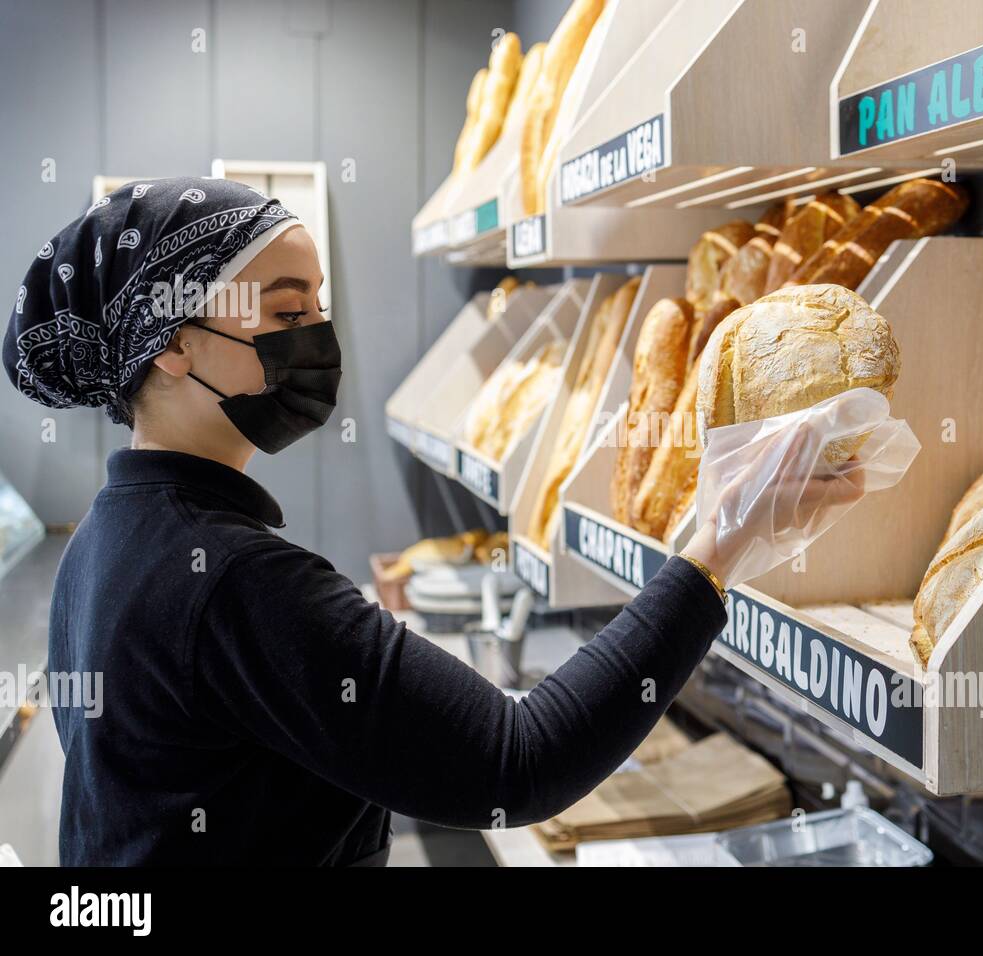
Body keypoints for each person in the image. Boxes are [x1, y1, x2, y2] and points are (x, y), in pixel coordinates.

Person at [3, 178, 864, 865]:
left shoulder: (105, 535)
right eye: (285, 312)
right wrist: (720, 544)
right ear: (171, 342)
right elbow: (516, 761)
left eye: (319, 309)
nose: (317, 337)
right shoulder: (232, 581)